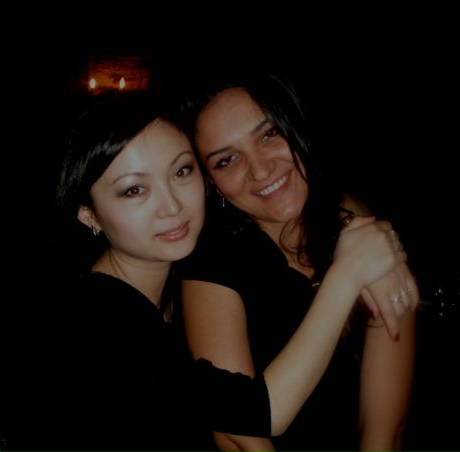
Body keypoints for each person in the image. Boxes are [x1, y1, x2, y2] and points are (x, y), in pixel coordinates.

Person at [44, 89, 408, 452]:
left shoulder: (163, 285)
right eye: (134, 189)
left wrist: (362, 228)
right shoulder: (96, 319)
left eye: (181, 171)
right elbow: (258, 413)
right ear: (88, 213)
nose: (172, 206)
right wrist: (347, 274)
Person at [171, 68, 418, 451]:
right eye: (226, 160)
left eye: (269, 134)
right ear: (210, 183)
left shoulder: (357, 227)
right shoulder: (210, 263)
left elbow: (385, 430)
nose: (261, 169)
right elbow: (240, 439)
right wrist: (347, 275)